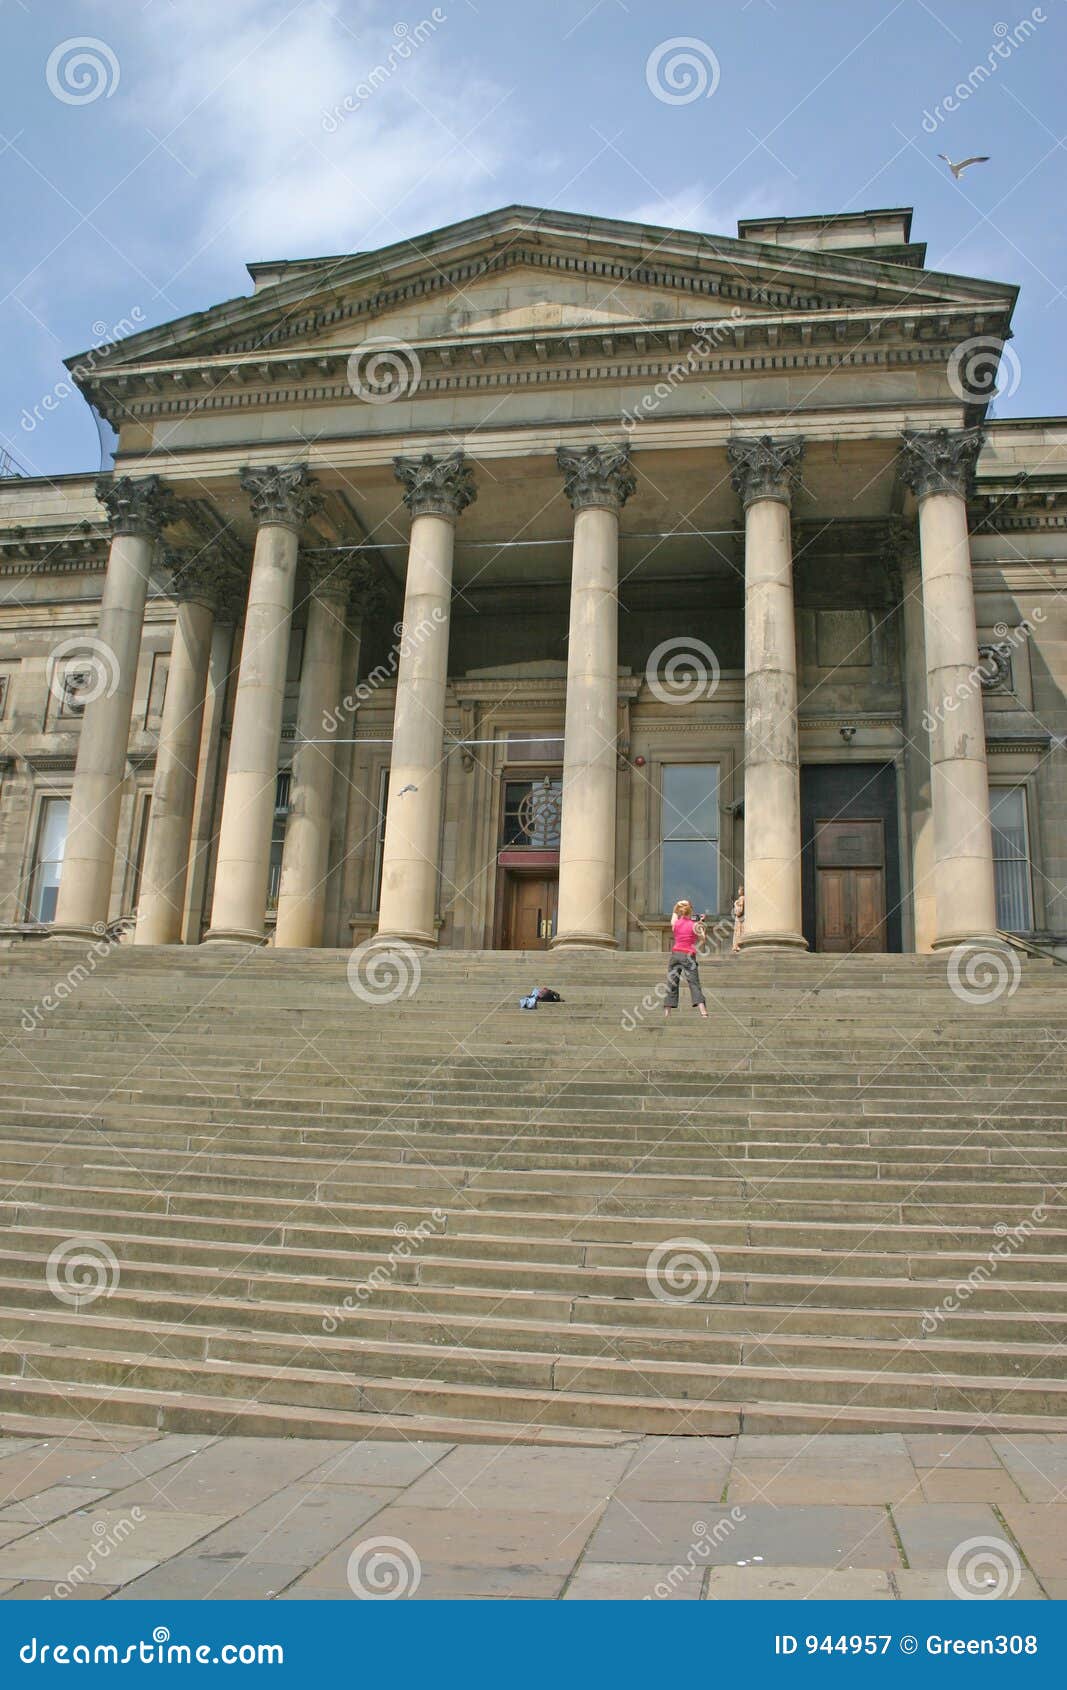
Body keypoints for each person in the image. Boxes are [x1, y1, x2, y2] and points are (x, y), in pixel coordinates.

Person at [664, 899, 708, 1019]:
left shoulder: (676, 923)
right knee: (694, 983)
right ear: (691, 912)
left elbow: (673, 918)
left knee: (672, 982)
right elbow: (703, 939)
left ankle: (667, 1012)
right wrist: (701, 924)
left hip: (676, 954)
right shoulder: (695, 925)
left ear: (680, 912)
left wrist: (676, 906)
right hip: (688, 955)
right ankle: (703, 1011)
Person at [731, 884, 745, 954]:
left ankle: (737, 946)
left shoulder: (741, 898)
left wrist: (735, 904)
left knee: (739, 933)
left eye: (739, 889)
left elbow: (739, 911)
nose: (738, 891)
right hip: (740, 920)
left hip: (740, 920)